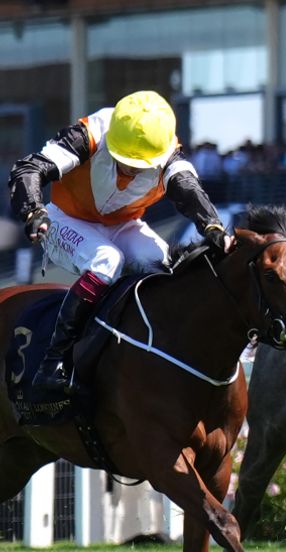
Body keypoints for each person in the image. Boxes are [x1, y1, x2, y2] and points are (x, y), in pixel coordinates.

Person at [6, 91, 229, 397]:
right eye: (124, 161)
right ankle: (53, 361)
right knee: (107, 260)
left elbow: (189, 191)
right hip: (65, 220)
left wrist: (212, 226)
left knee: (162, 264)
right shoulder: (91, 132)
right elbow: (27, 169)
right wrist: (33, 211)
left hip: (122, 224)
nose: (131, 170)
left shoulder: (168, 153)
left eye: (139, 165)